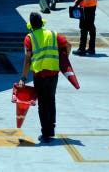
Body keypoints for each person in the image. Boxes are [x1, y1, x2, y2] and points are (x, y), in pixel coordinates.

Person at [17, 12, 71, 143]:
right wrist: (64, 59)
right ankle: (51, 130)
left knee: (42, 103)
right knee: (51, 100)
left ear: (31, 25)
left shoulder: (29, 38)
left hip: (40, 76)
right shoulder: (53, 34)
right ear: (42, 23)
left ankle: (45, 134)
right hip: (53, 74)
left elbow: (28, 59)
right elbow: (68, 45)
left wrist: (23, 78)